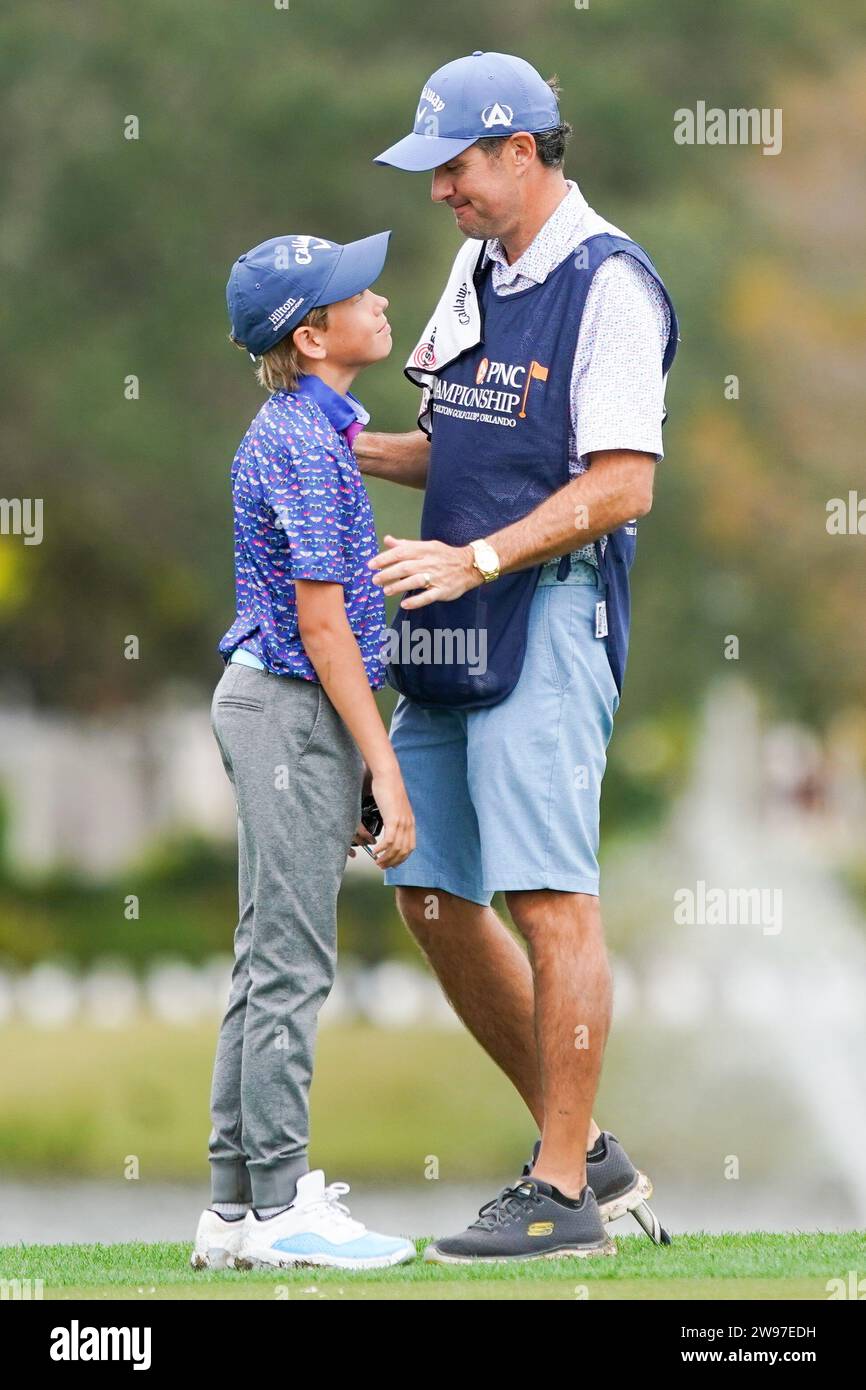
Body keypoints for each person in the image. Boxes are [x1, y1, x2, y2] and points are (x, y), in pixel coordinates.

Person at [357, 51, 680, 1262]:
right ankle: (584, 1144)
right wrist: (323, 439)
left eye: (454, 166)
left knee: (551, 899)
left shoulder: (613, 287)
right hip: (452, 609)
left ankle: (558, 1195)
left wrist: (477, 561)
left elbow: (619, 487)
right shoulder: (473, 266)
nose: (439, 190)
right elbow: (453, 449)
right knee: (426, 885)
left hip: (541, 607)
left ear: (522, 150)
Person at [191, 230, 416, 1272]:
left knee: (263, 959)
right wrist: (382, 762)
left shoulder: (313, 428)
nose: (377, 302)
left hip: (278, 707)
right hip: (286, 708)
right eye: (351, 295)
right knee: (289, 964)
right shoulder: (300, 441)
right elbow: (322, 626)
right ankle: (281, 1210)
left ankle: (234, 1215)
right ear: (311, 332)